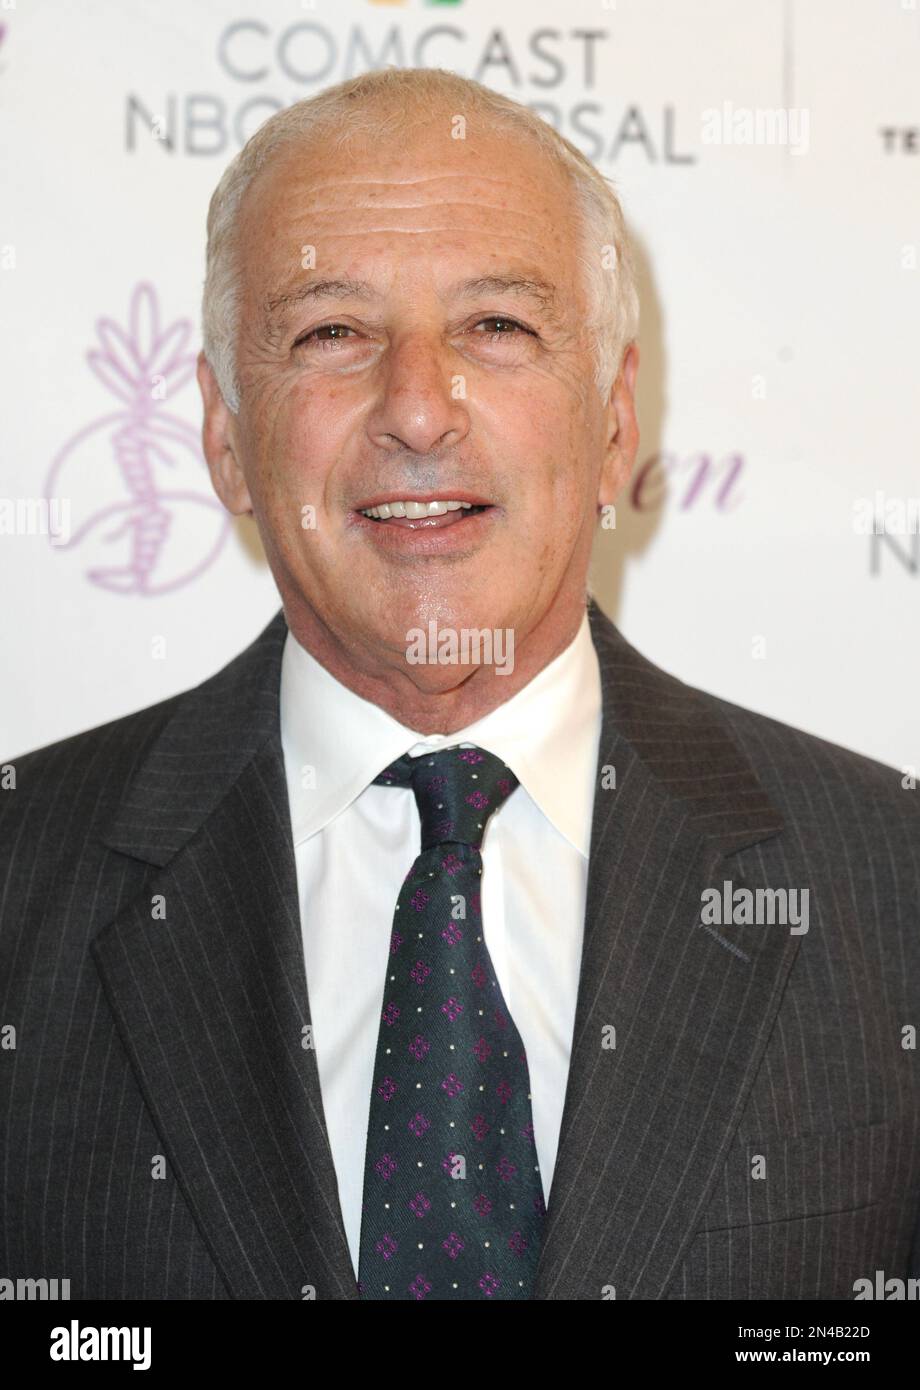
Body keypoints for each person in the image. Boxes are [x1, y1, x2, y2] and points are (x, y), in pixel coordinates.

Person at [2, 67, 918, 1302]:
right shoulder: (21, 874)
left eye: (497, 326)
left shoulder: (886, 881)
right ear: (224, 436)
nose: (419, 409)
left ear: (609, 423)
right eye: (332, 331)